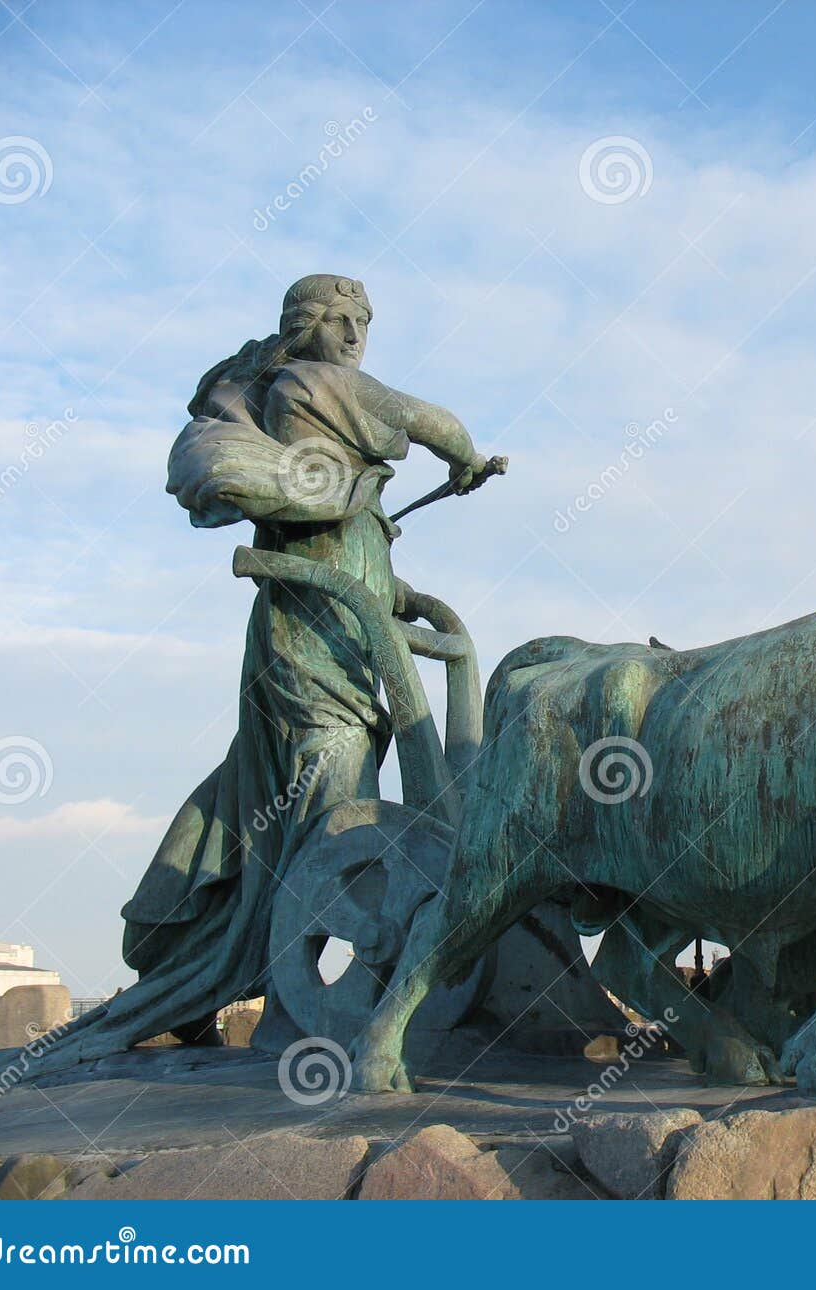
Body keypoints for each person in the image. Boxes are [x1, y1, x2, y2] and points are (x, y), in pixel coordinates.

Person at [36, 274, 495, 1067]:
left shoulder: (319, 434)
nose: (354, 334)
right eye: (339, 319)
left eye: (364, 321)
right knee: (332, 800)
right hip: (314, 636)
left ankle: (196, 934)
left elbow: (350, 542)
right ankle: (297, 1014)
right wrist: (471, 459)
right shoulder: (318, 385)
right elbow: (436, 425)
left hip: (333, 622)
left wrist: (403, 595)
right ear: (305, 327)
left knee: (303, 796)